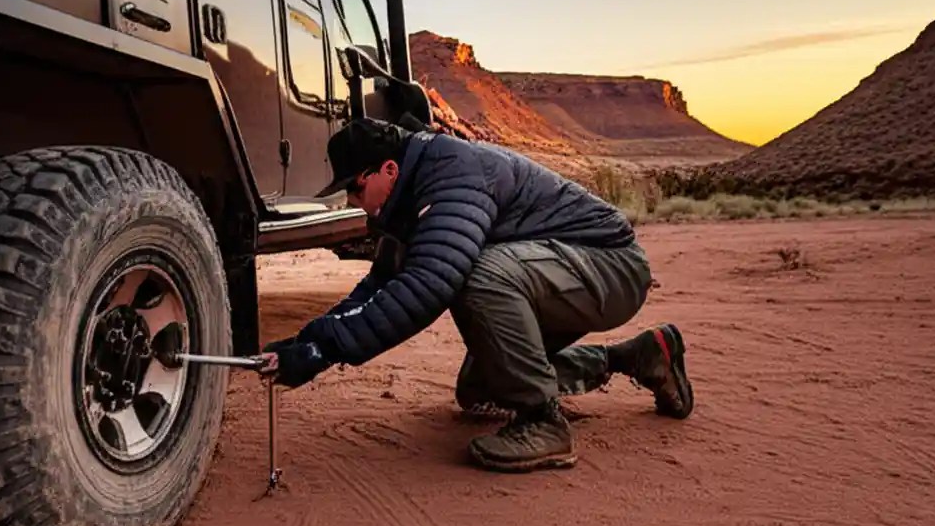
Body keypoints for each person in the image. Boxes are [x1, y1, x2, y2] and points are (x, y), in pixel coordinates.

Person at [260, 117, 693, 472]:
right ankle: (639, 357)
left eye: (355, 188)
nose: (355, 201)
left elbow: (429, 284)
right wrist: (311, 338)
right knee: (481, 389)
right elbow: (380, 284)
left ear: (388, 169)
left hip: (610, 267)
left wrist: (326, 353)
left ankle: (544, 423)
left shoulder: (451, 173)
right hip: (560, 273)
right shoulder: (412, 194)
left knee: (475, 273)